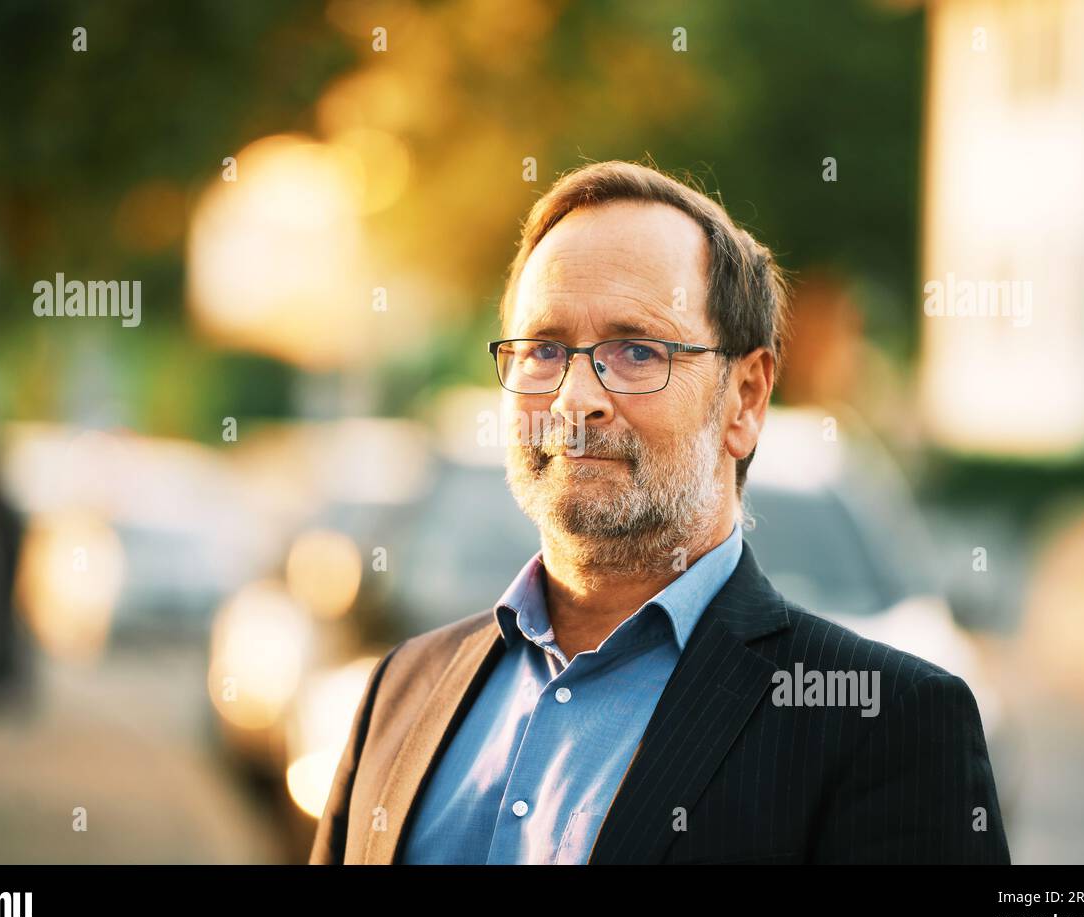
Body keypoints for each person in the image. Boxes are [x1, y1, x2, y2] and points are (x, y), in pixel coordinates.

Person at [310, 160, 1010, 864]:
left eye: (637, 350)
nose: (575, 398)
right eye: (543, 350)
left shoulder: (888, 724)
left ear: (745, 399)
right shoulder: (397, 694)